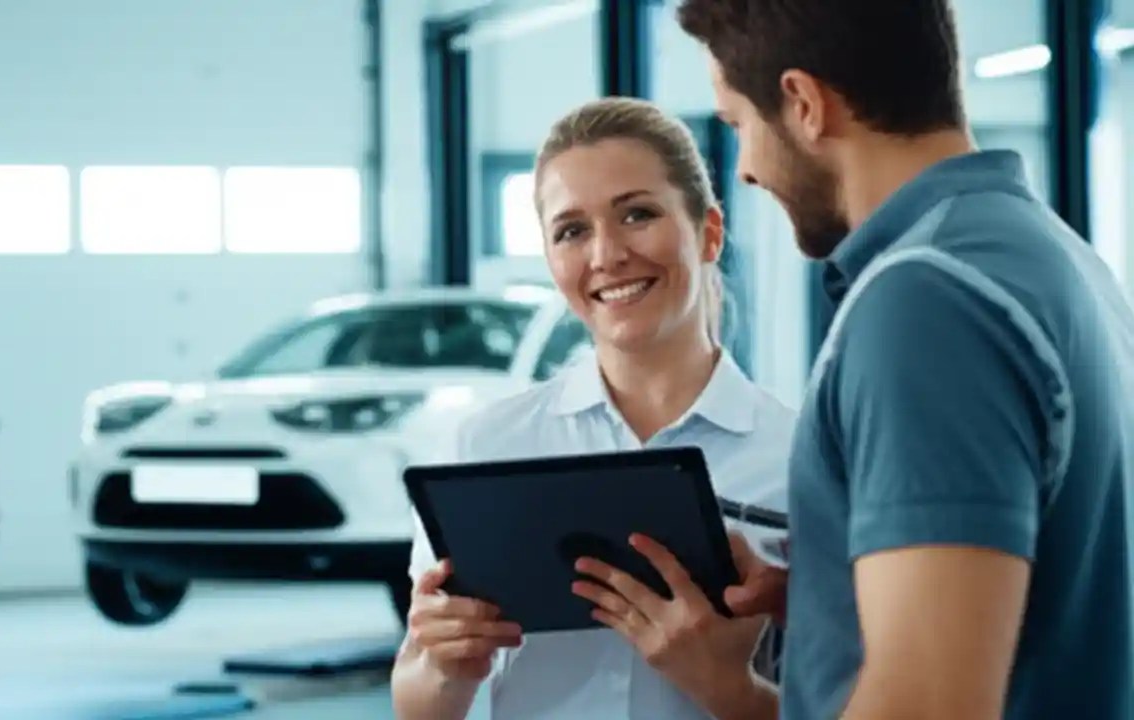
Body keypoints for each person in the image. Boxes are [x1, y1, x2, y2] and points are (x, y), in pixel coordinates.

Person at [627, 1, 1134, 719]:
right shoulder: (1051, 258)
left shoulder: (926, 304)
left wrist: (732, 690)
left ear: (802, 103)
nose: (743, 171)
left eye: (739, 125)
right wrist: (822, 597)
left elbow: (928, 705)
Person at [389, 97, 796, 720]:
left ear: (709, 232)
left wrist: (726, 686)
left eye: (637, 214)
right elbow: (417, 704)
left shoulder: (799, 460)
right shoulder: (485, 448)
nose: (606, 255)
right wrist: (445, 667)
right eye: (572, 230)